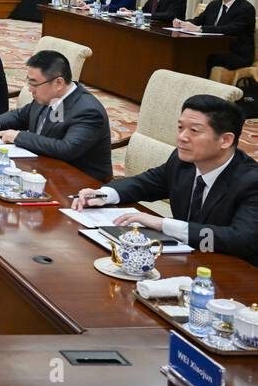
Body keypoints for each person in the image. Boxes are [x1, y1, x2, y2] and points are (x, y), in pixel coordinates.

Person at [73, 96, 258, 265]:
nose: (182, 137)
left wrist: (163, 224)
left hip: (233, 273)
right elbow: (145, 183)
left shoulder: (251, 181)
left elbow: (240, 240)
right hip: (188, 260)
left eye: (194, 131)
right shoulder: (182, 162)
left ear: (225, 140)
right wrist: (104, 194)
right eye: (180, 128)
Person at [0, 50, 113, 181]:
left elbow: (67, 149)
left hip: (79, 182)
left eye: (34, 83)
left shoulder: (88, 111)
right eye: (28, 81)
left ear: (58, 83)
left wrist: (18, 136)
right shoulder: (50, 96)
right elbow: (22, 115)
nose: (30, 89)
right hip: (43, 169)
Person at [175, 0, 256, 73]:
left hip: (236, 53)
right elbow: (198, 20)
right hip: (212, 46)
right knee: (183, 51)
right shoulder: (214, 4)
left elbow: (230, 29)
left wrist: (201, 29)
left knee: (201, 56)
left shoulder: (246, 8)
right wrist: (182, 23)